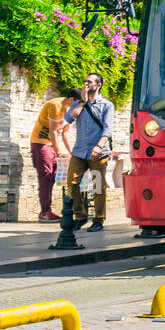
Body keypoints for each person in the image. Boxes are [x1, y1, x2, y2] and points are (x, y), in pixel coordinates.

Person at [64, 72, 115, 231]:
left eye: (90, 82)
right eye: (85, 81)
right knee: (72, 183)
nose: (86, 84)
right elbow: (68, 118)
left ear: (98, 85)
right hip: (79, 151)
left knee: (98, 186)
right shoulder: (78, 104)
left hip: (98, 152)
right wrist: (83, 102)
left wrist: (99, 146)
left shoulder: (107, 105)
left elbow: (108, 130)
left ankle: (98, 220)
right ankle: (80, 216)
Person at [29, 90, 77, 221]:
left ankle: (47, 210)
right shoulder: (55, 106)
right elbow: (54, 132)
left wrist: (72, 152)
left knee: (52, 177)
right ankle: (45, 212)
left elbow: (65, 132)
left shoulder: (71, 111)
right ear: (72, 100)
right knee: (45, 176)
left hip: (52, 144)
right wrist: (59, 152)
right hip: (41, 142)